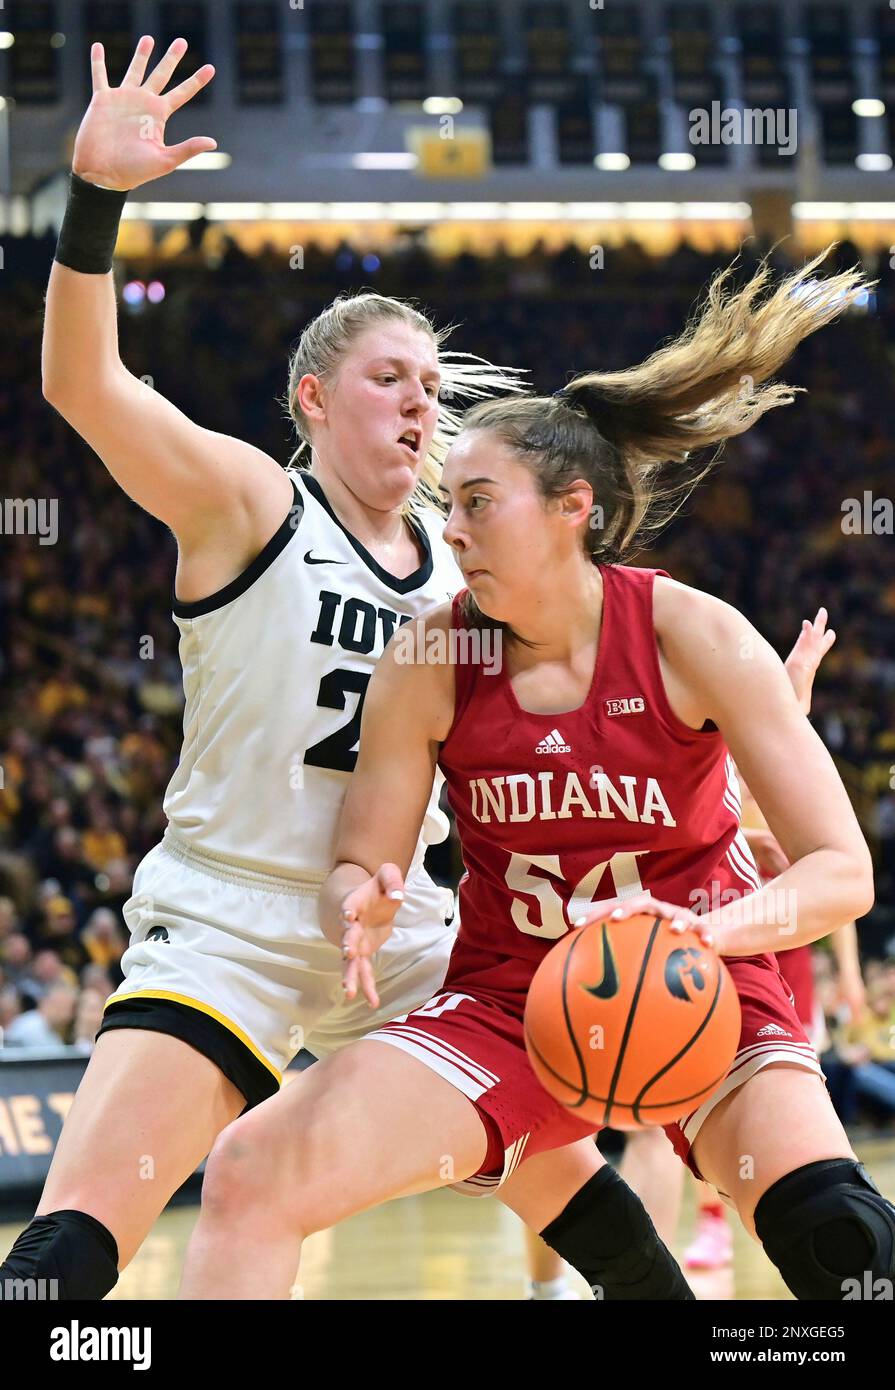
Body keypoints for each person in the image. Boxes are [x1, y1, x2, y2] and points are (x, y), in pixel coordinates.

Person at [176, 251, 893, 1302]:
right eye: (448, 507)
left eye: (475, 503)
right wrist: (358, 899)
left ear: (574, 509)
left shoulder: (693, 634)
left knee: (843, 1242)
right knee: (250, 1170)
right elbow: (359, 860)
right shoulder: (431, 656)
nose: (450, 530)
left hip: (705, 983)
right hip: (514, 1001)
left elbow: (841, 872)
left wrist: (705, 932)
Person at [0, 34, 528, 1300]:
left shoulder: (470, 582)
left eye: (430, 385)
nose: (417, 403)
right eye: (387, 378)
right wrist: (95, 198)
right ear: (309, 401)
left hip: (398, 927)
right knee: (78, 1238)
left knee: (569, 1170)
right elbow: (82, 380)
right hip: (231, 913)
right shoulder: (251, 503)